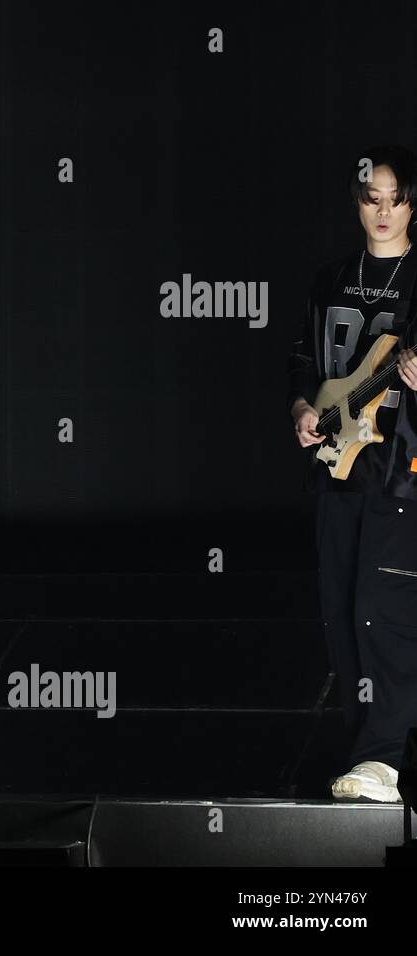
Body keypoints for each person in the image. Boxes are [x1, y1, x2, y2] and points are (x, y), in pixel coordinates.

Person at [288, 144, 417, 803]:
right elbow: (306, 366)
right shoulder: (331, 277)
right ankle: (366, 749)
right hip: (337, 470)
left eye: (397, 198)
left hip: (405, 476)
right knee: (341, 617)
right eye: (374, 198)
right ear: (358, 201)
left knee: (382, 611)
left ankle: (383, 760)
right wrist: (305, 407)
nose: (385, 210)